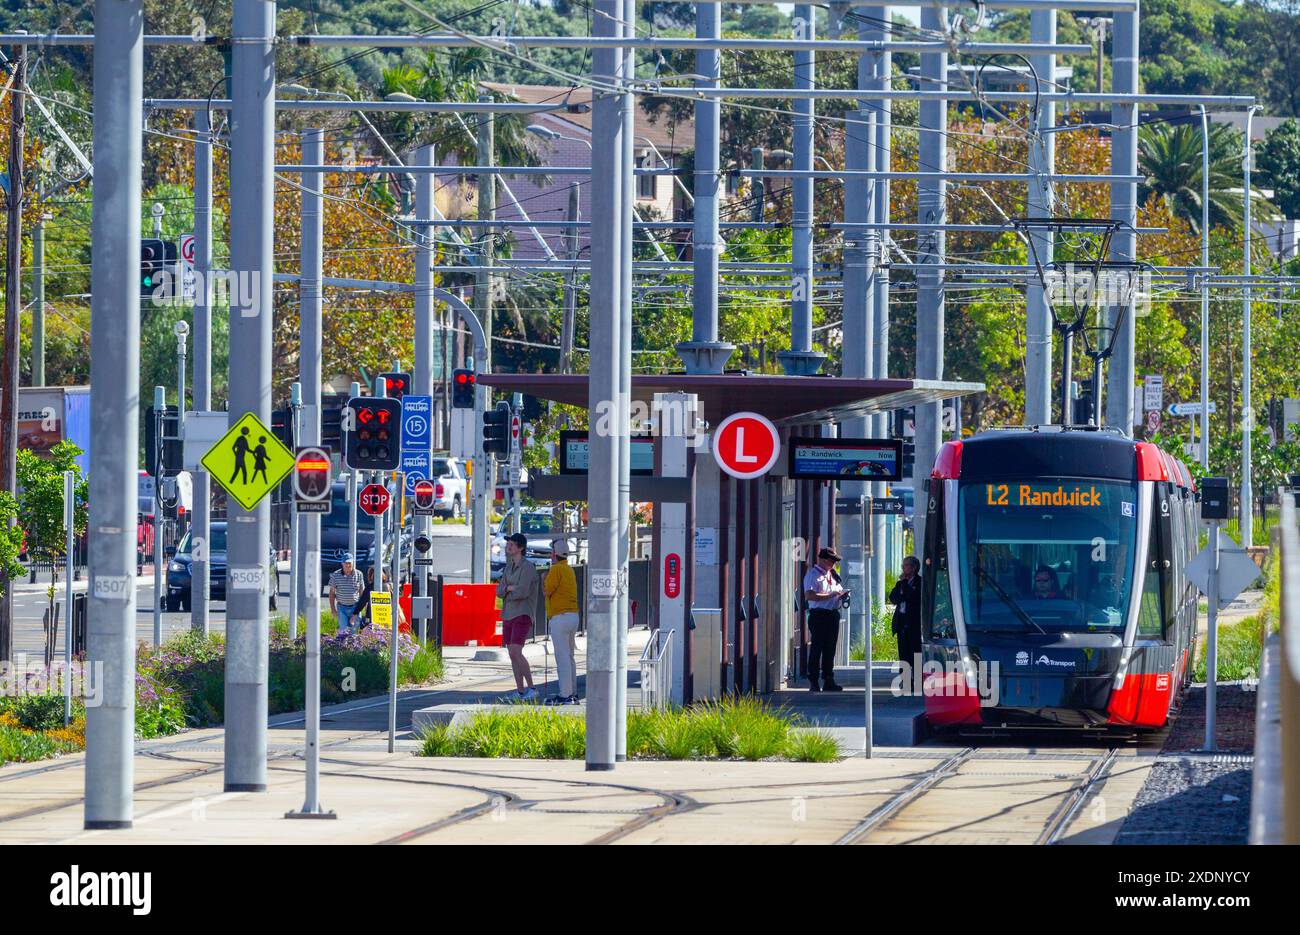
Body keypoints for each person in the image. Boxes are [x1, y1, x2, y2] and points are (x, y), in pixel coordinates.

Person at [497, 532, 540, 702]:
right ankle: (520, 690)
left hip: (522, 612)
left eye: (513, 544)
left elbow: (523, 591)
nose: (509, 546)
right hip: (508, 613)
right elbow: (499, 591)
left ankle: (531, 687)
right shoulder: (508, 567)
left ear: (520, 548)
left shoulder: (528, 567)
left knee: (516, 650)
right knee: (511, 653)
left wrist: (509, 589)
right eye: (509, 543)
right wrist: (508, 589)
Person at [802, 546, 847, 692]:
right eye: (831, 560)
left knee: (830, 648)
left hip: (832, 614)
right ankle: (813, 680)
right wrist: (831, 595)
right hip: (819, 614)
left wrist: (842, 595)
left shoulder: (832, 574)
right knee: (817, 647)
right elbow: (809, 595)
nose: (833, 563)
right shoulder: (813, 575)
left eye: (835, 561)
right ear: (822, 560)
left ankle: (828, 679)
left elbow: (837, 590)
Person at [543, 538, 581, 705]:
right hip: (573, 616)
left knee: (562, 657)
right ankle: (572, 692)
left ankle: (564, 694)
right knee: (570, 656)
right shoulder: (569, 570)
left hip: (560, 617)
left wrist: (544, 578)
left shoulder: (555, 570)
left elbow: (547, 591)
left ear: (554, 554)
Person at [890, 555, 923, 672]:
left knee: (915, 653)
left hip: (914, 622)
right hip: (901, 622)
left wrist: (904, 593)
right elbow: (893, 598)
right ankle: (905, 680)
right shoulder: (901, 583)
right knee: (903, 653)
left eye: (905, 566)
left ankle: (917, 680)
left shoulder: (920, 582)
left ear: (913, 568)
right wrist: (902, 586)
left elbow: (914, 597)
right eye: (902, 566)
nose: (903, 568)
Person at [328, 554, 365, 635]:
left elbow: (362, 593)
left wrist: (360, 609)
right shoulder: (335, 575)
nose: (348, 565)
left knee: (354, 632)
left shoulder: (359, 574)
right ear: (342, 564)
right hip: (342, 608)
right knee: (343, 631)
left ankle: (352, 648)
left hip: (355, 608)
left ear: (353, 563)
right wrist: (333, 609)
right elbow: (331, 593)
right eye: (346, 563)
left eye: (350, 563)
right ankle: (343, 647)